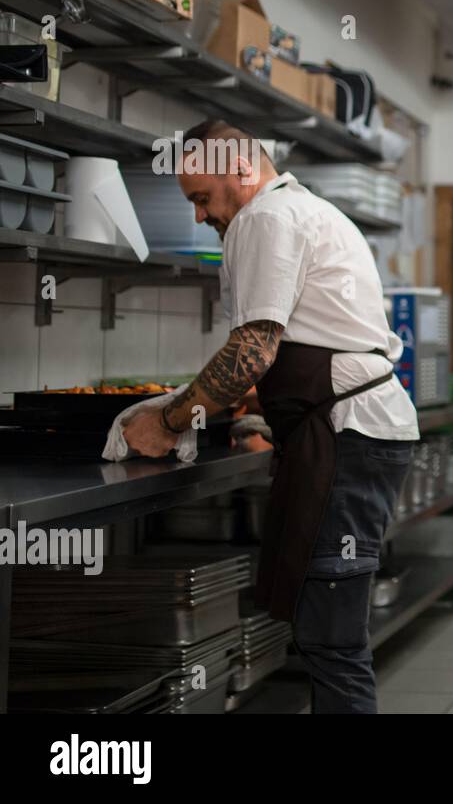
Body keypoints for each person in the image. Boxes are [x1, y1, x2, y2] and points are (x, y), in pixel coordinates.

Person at [123, 120, 418, 713]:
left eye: (201, 198)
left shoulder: (265, 217)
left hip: (347, 439)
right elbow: (297, 352)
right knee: (324, 632)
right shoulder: (299, 211)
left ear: (239, 169)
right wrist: (257, 411)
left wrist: (169, 422)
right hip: (353, 432)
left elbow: (252, 351)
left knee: (331, 640)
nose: (199, 216)